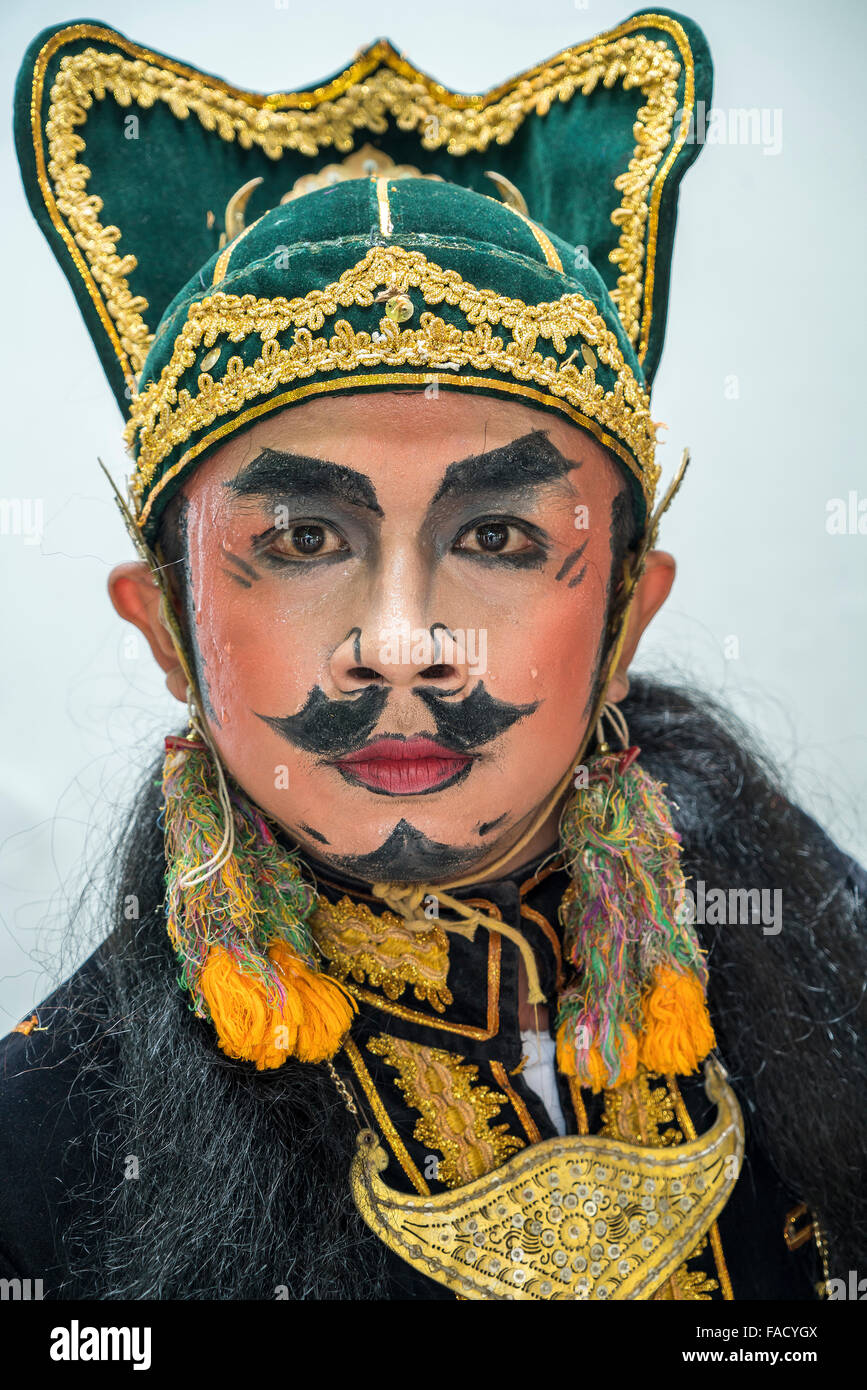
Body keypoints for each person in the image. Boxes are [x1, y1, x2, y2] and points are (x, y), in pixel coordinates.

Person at [3, 10, 864, 1301]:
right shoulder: (35, 1155)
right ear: (169, 626)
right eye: (300, 535)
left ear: (628, 615)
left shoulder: (834, 961)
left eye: (503, 533)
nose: (404, 644)